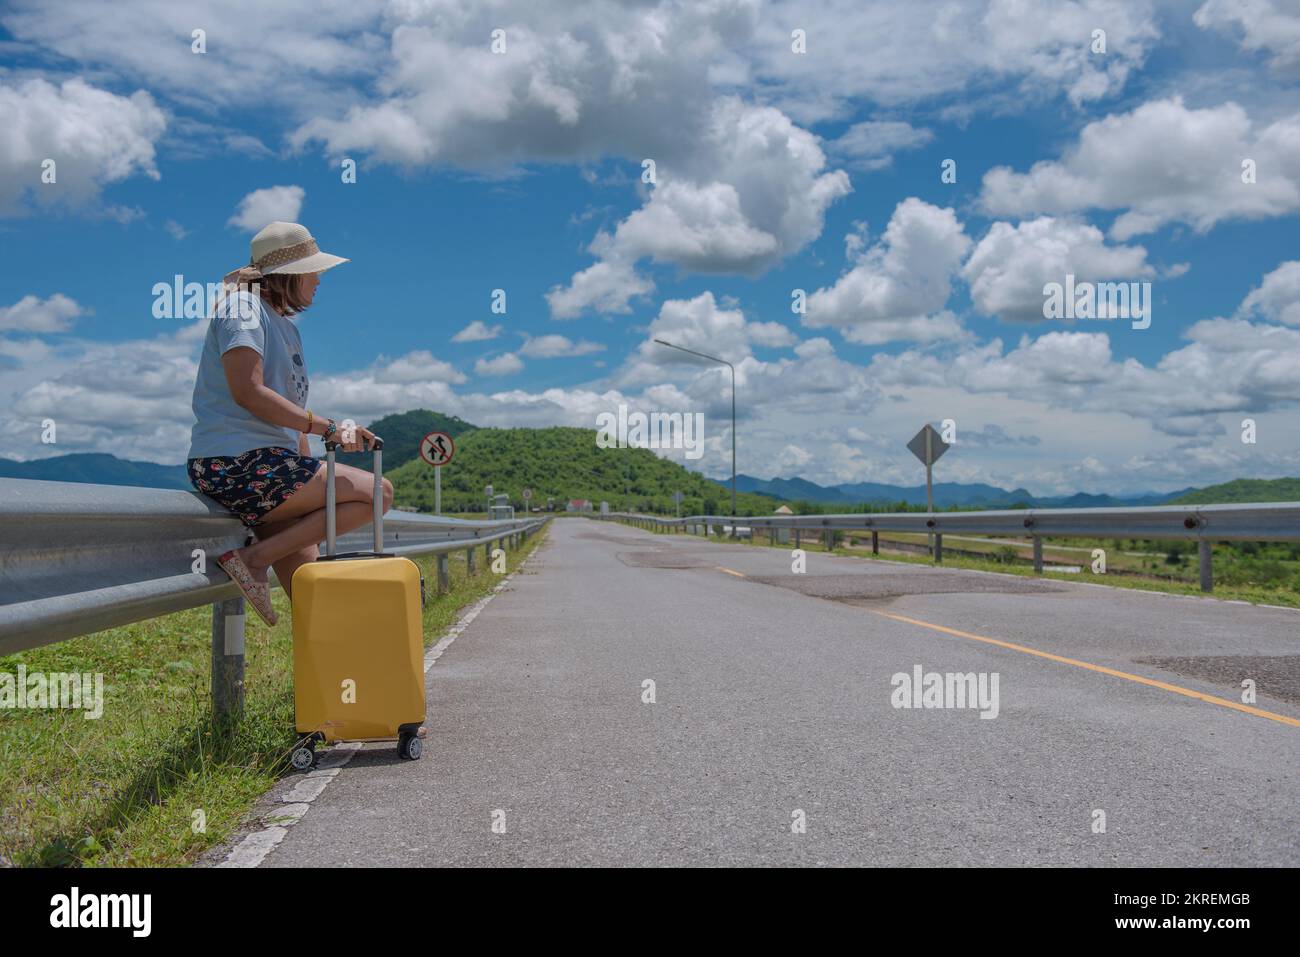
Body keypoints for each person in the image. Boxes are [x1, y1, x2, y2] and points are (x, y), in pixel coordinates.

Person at [186, 221, 392, 626]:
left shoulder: (287, 329)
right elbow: (248, 391)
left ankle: (330, 684)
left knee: (315, 602)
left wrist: (308, 458)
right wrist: (329, 429)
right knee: (377, 494)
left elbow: (291, 418)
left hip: (273, 470)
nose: (319, 279)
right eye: (313, 270)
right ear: (289, 276)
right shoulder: (242, 309)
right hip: (237, 463)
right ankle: (251, 559)